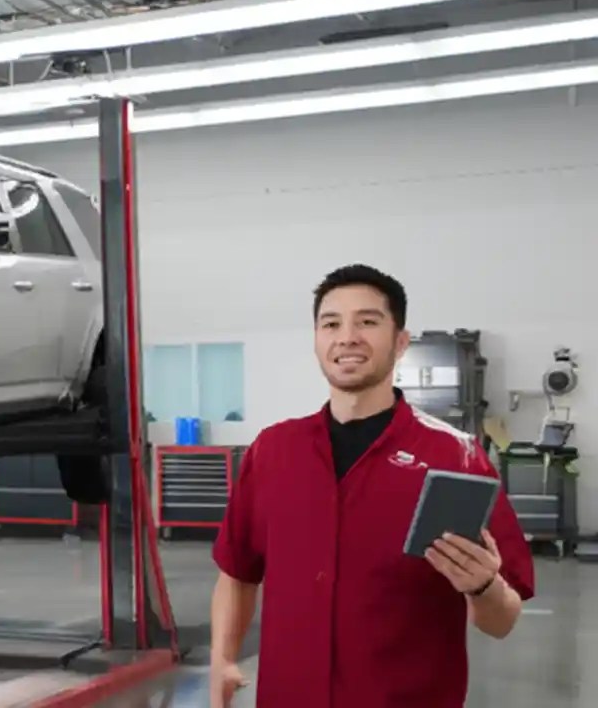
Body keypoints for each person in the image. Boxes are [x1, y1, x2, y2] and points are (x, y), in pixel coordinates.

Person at [208, 264, 535, 708]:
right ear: (316, 339)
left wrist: (483, 587)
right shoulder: (273, 451)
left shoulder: (456, 457)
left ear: (400, 341)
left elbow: (502, 620)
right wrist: (223, 659)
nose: (347, 337)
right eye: (331, 324)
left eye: (367, 321)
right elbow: (238, 572)